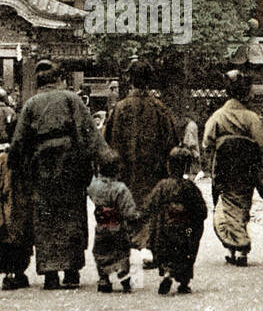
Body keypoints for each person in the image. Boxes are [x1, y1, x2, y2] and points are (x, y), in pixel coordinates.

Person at [9, 59, 115, 290]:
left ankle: (49, 273)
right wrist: (107, 159)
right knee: (72, 216)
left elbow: (19, 142)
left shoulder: (31, 105)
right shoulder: (72, 100)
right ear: (59, 80)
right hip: (71, 166)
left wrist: (13, 165)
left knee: (45, 218)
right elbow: (90, 135)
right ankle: (71, 270)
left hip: (41, 169)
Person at [103, 59, 179, 260]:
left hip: (125, 169)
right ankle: (148, 245)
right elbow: (172, 140)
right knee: (151, 205)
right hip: (154, 169)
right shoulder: (159, 108)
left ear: (130, 80)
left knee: (126, 205)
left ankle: (130, 244)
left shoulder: (119, 109)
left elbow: (107, 141)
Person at [201, 70, 263, 266]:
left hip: (224, 168)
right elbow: (261, 145)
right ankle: (239, 248)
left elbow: (207, 143)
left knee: (227, 205)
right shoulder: (251, 117)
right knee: (243, 205)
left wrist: (213, 158)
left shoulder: (218, 116)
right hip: (246, 169)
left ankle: (237, 246)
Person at [146, 147, 208, 294]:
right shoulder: (190, 187)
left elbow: (150, 206)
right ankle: (184, 283)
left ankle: (167, 272)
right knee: (186, 252)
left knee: (165, 250)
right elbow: (201, 211)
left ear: (168, 165)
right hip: (185, 230)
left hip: (165, 230)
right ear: (186, 167)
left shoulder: (162, 186)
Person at [87, 155, 141, 292]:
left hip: (102, 226)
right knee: (121, 253)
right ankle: (123, 275)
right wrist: (135, 217)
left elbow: (90, 194)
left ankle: (103, 278)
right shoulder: (120, 189)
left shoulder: (95, 186)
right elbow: (129, 211)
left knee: (101, 253)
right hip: (117, 226)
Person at [0, 147, 31, 290]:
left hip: (4, 209)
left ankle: (8, 274)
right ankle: (19, 273)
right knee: (22, 239)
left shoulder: (1, 159)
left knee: (6, 241)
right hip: (21, 207)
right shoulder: (26, 157)